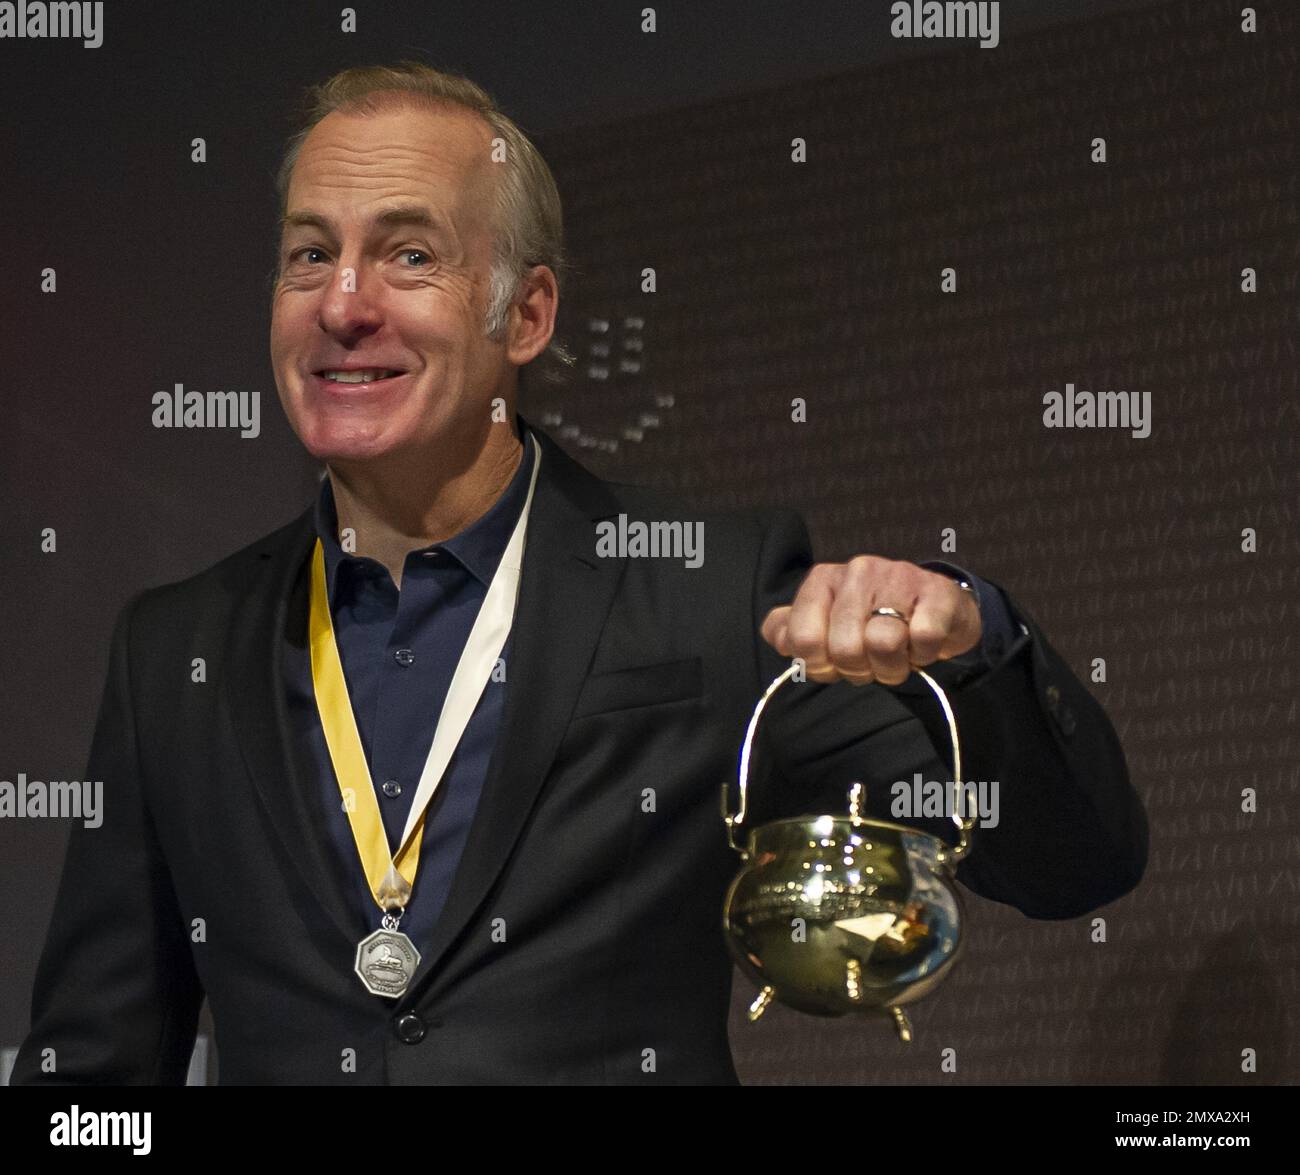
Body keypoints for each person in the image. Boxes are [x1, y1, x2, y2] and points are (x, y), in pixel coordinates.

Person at [11, 62, 1146, 1085]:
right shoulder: (178, 648)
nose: (343, 303)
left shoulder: (704, 593)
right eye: (311, 253)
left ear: (529, 313)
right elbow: (93, 1078)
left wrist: (978, 638)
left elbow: (1069, 863)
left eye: (409, 254)